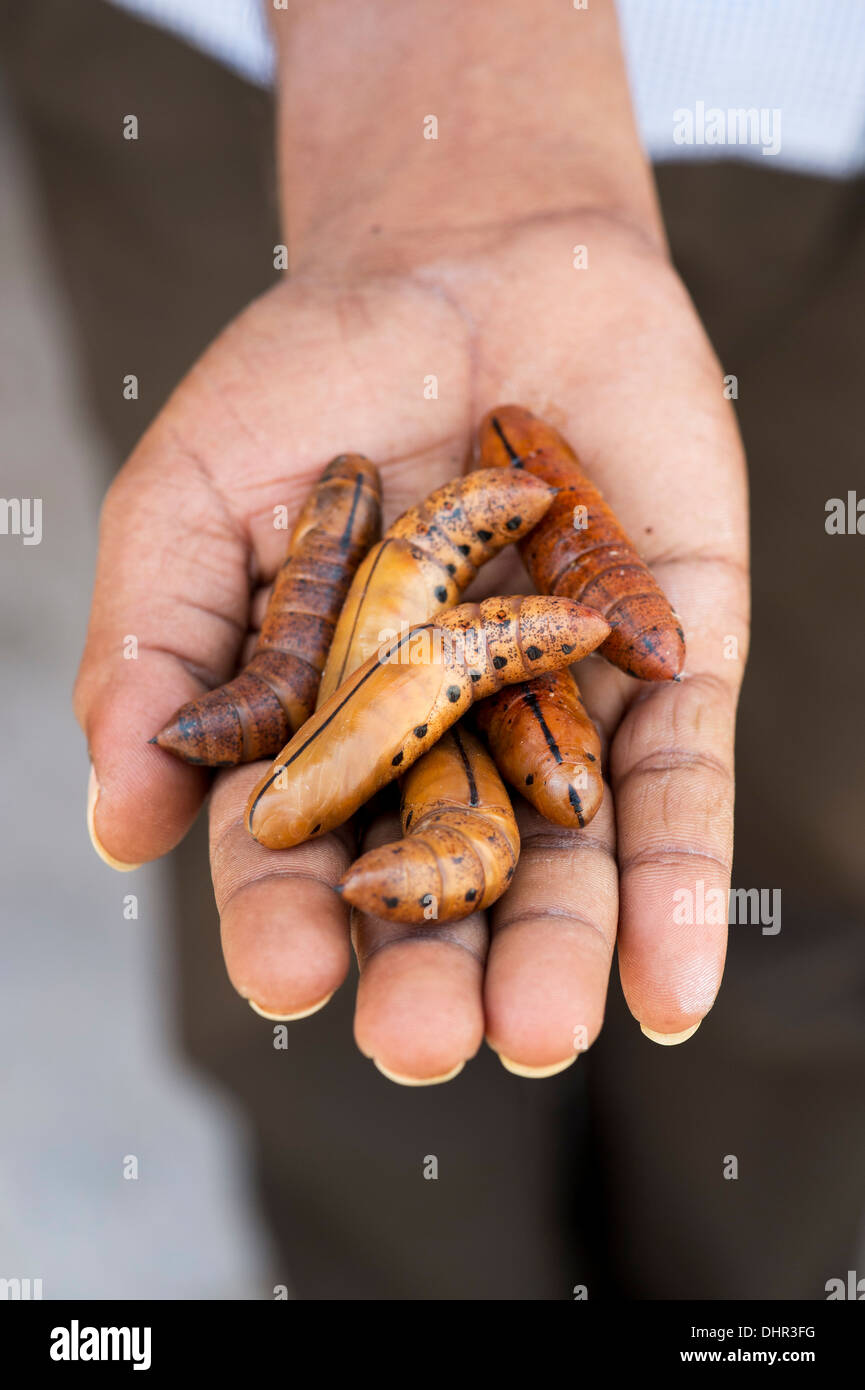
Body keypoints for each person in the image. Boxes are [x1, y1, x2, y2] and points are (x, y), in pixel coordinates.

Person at [4, 0, 862, 1299]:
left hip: (823, 110)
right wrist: (432, 97)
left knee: (796, 868)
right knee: (350, 1039)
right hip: (262, 89)